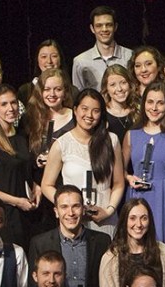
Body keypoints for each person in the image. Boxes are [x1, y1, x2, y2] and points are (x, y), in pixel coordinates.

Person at [41, 89, 124, 236]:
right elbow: (46, 185)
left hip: (104, 219)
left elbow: (118, 183)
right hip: (73, 221)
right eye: (84, 109)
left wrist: (109, 211)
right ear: (75, 110)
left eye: (96, 111)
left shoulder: (111, 140)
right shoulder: (62, 143)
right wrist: (68, 206)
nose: (89, 116)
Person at [122, 80, 165, 245]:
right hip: (138, 198)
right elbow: (120, 172)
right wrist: (130, 178)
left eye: (160, 103)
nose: (154, 108)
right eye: (150, 102)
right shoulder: (132, 135)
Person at [0, 84, 41, 248]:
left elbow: (27, 171)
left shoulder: (22, 136)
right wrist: (17, 201)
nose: (11, 108)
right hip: (5, 216)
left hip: (27, 215)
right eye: (4, 104)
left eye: (13, 103)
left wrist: (37, 187)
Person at [27, 186, 111, 287]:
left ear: (83, 209)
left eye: (75, 206)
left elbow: (107, 286)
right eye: (64, 207)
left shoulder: (102, 241)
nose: (70, 213)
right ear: (56, 211)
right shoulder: (39, 243)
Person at [98, 198, 165, 287]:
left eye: (144, 218)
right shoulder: (111, 257)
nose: (139, 224)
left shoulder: (162, 251)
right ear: (124, 221)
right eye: (132, 218)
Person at [72, 5, 133, 92]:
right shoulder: (80, 61)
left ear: (115, 27)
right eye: (99, 26)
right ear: (92, 29)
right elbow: (78, 95)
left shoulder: (130, 56)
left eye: (108, 25)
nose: (104, 29)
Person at [101, 64, 138, 140]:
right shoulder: (102, 114)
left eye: (123, 83)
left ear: (130, 84)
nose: (119, 89)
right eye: (113, 85)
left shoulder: (138, 110)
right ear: (106, 89)